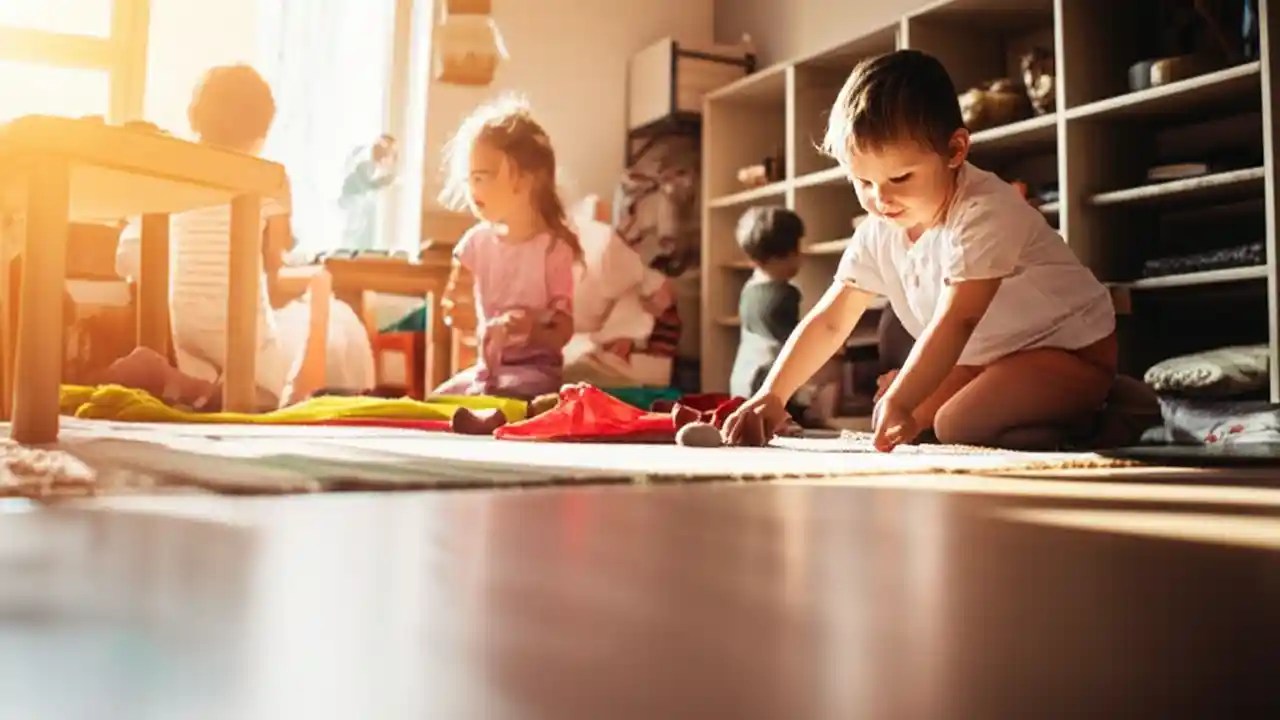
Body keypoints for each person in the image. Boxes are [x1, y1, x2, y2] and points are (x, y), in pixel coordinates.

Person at [722, 49, 1118, 452]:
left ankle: (1108, 414)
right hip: (988, 359)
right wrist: (771, 395)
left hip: (1070, 354)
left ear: (955, 151)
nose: (881, 199)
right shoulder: (881, 229)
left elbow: (958, 319)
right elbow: (831, 321)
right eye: (863, 182)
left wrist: (905, 394)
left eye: (900, 177)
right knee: (905, 422)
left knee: (956, 425)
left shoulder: (985, 211)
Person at [113, 64, 374, 409]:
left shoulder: (176, 169)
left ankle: (186, 385)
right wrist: (315, 281)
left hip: (186, 321)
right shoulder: (269, 178)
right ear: (262, 129)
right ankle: (286, 400)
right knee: (327, 320)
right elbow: (277, 280)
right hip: (241, 329)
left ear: (196, 118)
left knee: (217, 391)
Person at [433, 95, 580, 401]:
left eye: (481, 178)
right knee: (439, 399)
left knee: (511, 394)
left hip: (536, 371)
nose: (472, 191)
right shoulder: (475, 244)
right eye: (469, 180)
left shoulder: (553, 248)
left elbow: (563, 331)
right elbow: (453, 307)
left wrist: (529, 329)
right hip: (487, 370)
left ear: (526, 179)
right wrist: (459, 310)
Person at [728, 206, 815, 422]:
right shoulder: (783, 295)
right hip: (767, 385)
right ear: (788, 253)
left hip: (742, 382)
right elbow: (795, 347)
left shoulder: (750, 287)